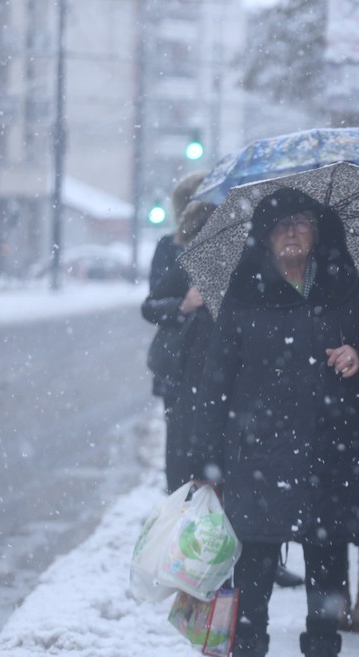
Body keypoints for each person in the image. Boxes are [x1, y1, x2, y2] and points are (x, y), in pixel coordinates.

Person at [193, 188, 359, 657]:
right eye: (280, 223)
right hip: (258, 452)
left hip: (330, 446)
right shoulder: (243, 292)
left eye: (301, 221)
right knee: (255, 561)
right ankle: (248, 656)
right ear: (264, 236)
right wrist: (204, 462)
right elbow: (215, 381)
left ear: (317, 232)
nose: (291, 231)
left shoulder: (345, 287)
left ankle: (322, 656)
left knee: (326, 559)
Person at [142, 171, 209, 494]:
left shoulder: (232, 247)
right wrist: (183, 305)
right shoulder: (171, 247)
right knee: (180, 450)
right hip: (178, 367)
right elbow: (151, 306)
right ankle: (183, 507)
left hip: (215, 366)